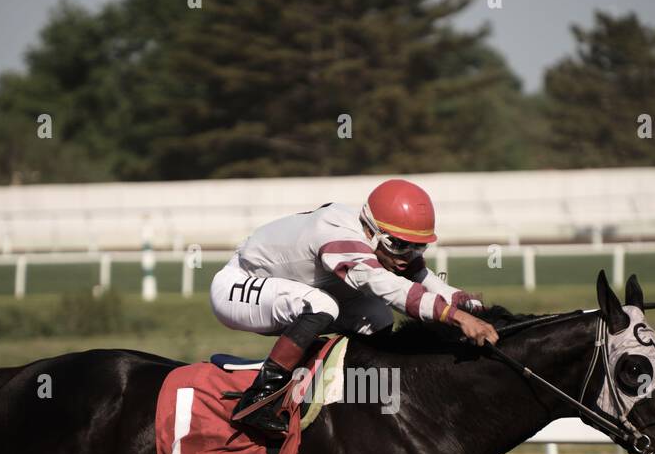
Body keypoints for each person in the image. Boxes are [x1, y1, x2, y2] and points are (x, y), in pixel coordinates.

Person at [209, 178, 499, 437]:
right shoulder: (338, 236)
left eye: (417, 248)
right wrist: (455, 316)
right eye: (399, 246)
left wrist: (476, 310)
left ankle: (361, 396)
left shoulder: (382, 240)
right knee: (323, 305)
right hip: (239, 284)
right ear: (371, 231)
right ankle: (258, 398)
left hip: (292, 286)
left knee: (377, 317)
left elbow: (429, 283)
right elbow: (392, 289)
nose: (407, 257)